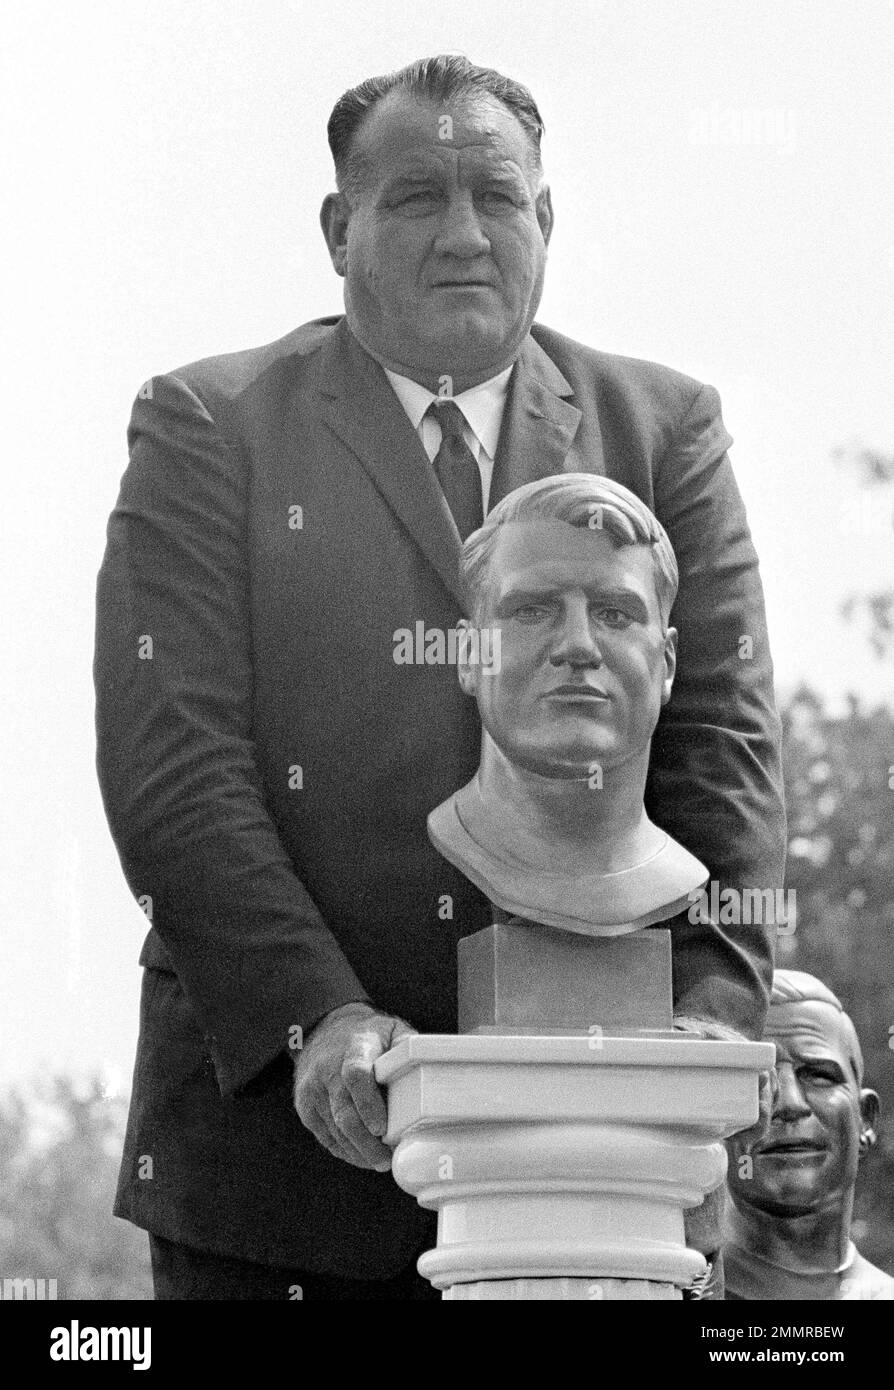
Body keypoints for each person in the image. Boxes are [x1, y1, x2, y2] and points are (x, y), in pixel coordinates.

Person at [95, 53, 785, 1300]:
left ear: (546, 221)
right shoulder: (211, 427)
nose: (465, 235)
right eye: (416, 198)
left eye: (498, 199)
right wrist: (325, 1023)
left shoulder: (665, 426)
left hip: (601, 1161)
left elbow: (726, 747)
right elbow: (175, 773)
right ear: (337, 227)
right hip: (280, 1175)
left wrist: (722, 1018)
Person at [725, 969, 894, 1300]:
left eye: (818, 1076)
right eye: (759, 1080)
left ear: (866, 1121)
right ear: (717, 1124)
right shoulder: (665, 1290)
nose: (788, 1103)